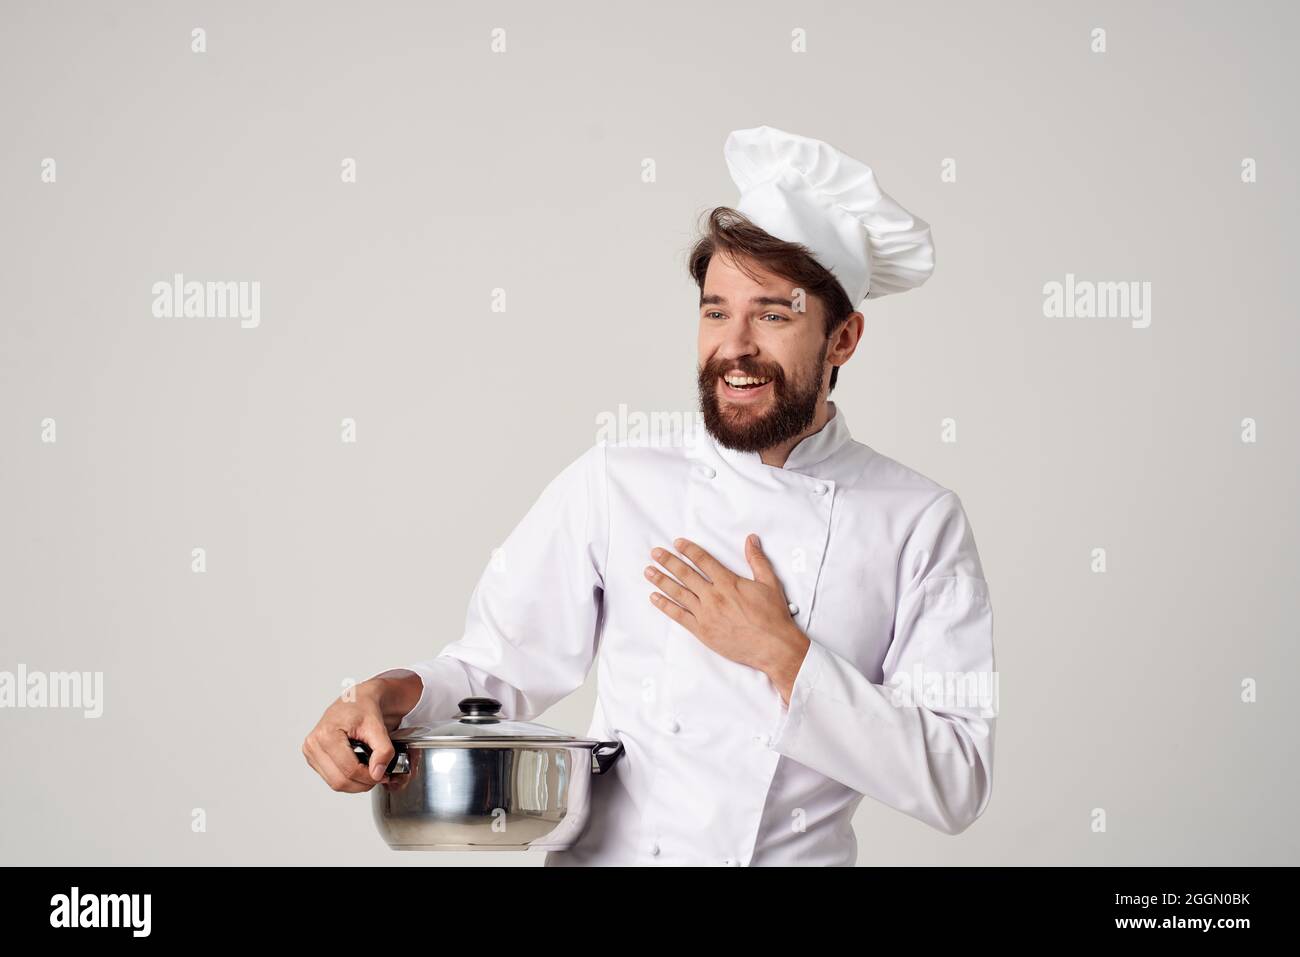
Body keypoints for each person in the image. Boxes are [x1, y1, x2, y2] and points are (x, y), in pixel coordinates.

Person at [303, 126, 996, 866]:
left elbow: (956, 779)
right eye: (716, 309)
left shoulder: (918, 520)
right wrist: (382, 695)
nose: (736, 344)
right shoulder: (618, 480)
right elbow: (493, 672)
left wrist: (784, 655)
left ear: (843, 339)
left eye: (773, 313)